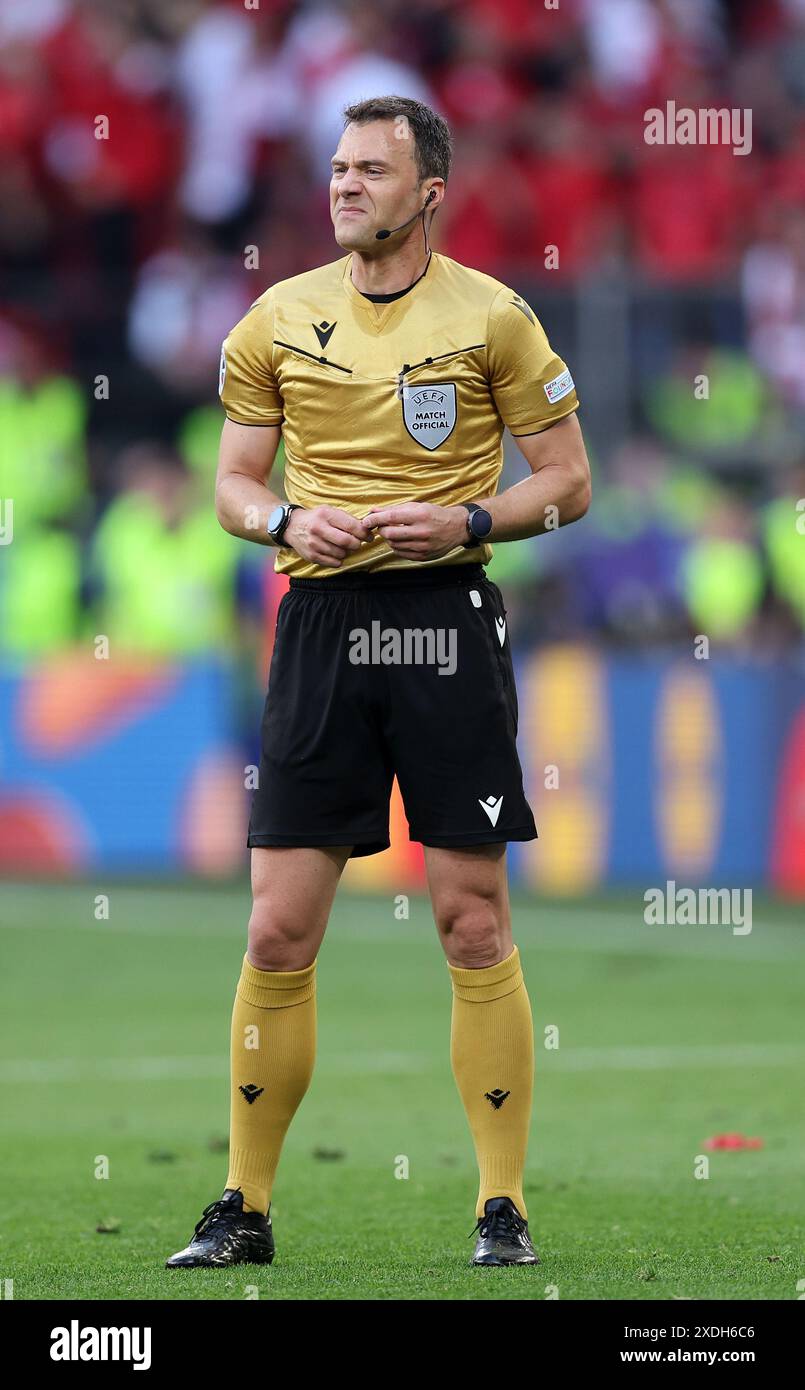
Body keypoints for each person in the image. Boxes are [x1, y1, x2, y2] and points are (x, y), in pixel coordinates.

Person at [166, 95, 591, 1272]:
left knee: (469, 918)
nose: (346, 185)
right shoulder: (275, 318)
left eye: (371, 170)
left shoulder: (495, 319)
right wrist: (293, 516)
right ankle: (243, 1207)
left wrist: (464, 513)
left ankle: (498, 1207)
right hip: (321, 625)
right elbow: (234, 489)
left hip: (446, 621)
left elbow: (566, 481)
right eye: (339, 168)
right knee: (277, 924)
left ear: (429, 191)